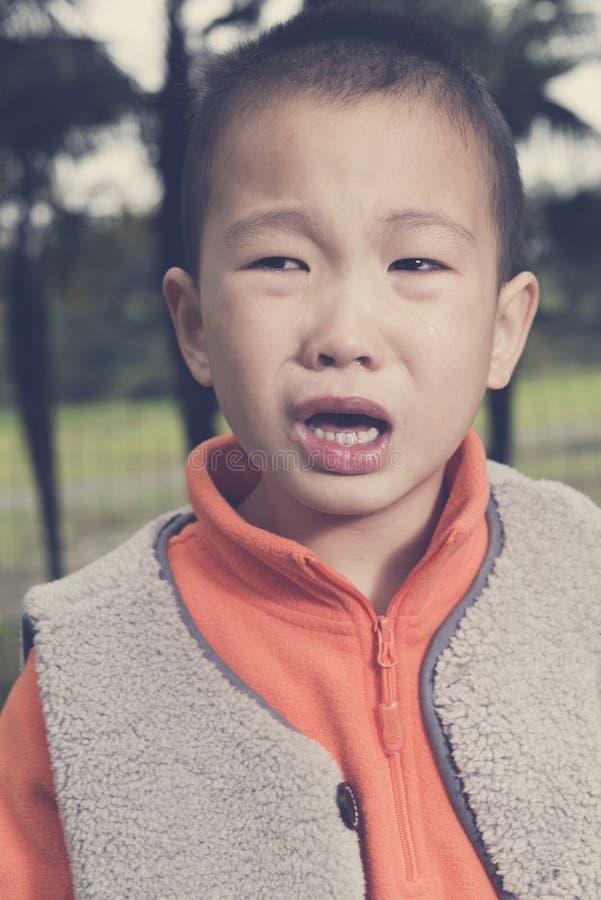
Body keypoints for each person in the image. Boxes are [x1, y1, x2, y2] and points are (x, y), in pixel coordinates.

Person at [1, 5, 600, 898]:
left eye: (416, 264)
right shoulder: (88, 675)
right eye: (280, 261)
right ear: (196, 325)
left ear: (503, 331)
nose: (344, 333)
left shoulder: (581, 575)